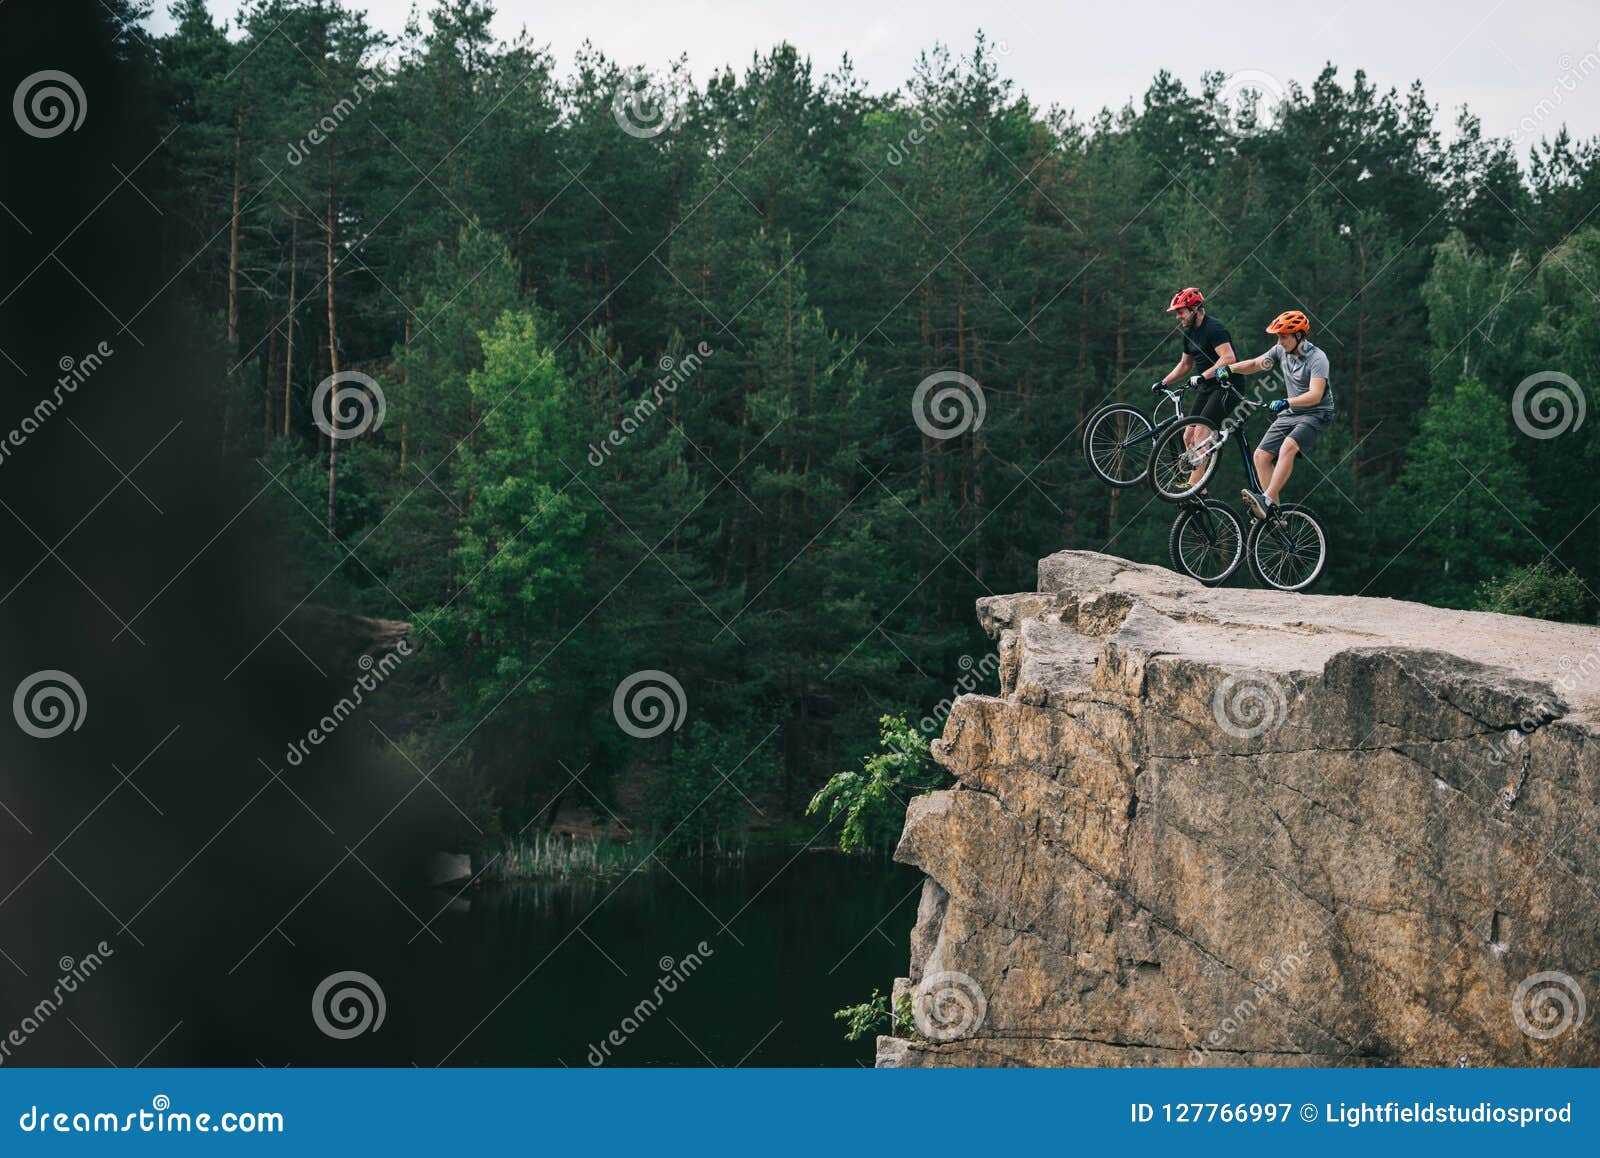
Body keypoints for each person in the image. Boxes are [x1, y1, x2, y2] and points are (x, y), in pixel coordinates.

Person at [1211, 309, 1333, 520]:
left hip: (1316, 413)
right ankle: (1273, 512)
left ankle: (1265, 500)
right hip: (1291, 412)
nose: (1279, 341)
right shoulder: (1280, 351)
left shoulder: (1317, 358)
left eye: (1283, 336)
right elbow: (1256, 364)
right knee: (1260, 456)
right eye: (1278, 336)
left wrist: (1286, 401)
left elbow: (1315, 395)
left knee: (1288, 446)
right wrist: (1231, 369)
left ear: (1298, 335)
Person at [1149, 287, 1236, 498]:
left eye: (1181, 311)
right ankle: (1201, 486)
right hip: (1206, 387)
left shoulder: (1215, 328)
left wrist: (1204, 375)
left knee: (1201, 432)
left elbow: (1228, 358)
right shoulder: (1188, 332)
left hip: (1227, 386)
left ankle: (1193, 486)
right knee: (1187, 434)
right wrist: (1164, 382)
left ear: (1196, 308)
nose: (1178, 316)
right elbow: (1185, 364)